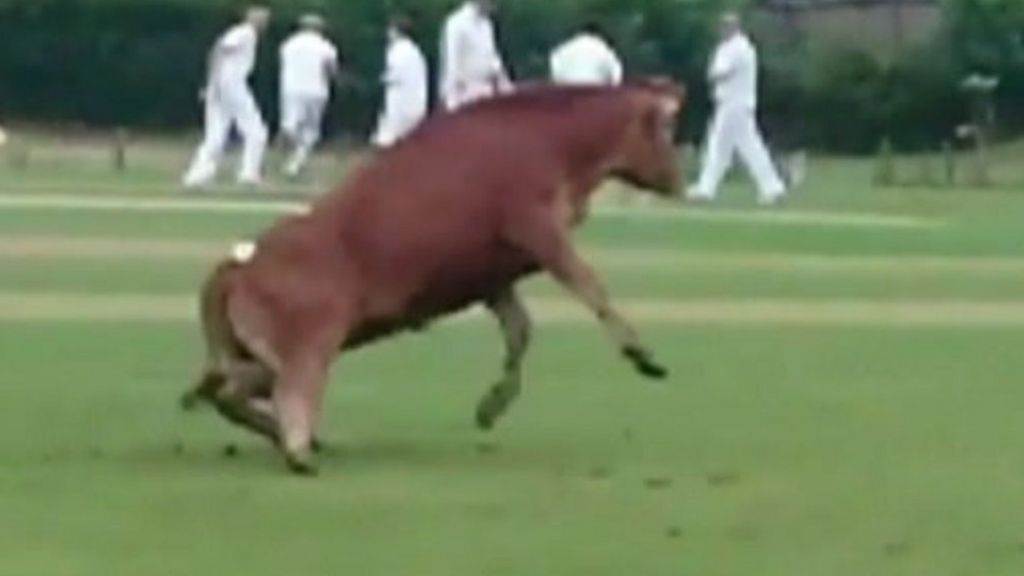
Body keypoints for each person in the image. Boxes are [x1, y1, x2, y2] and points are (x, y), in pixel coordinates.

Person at [689, 12, 786, 206]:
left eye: (725, 26)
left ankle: (770, 186)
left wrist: (712, 73)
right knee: (731, 147)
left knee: (729, 147)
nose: (722, 30)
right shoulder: (742, 47)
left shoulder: (736, 48)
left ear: (733, 27)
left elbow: (718, 73)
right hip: (737, 104)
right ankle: (708, 187)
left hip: (733, 104)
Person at [183, 6, 271, 189]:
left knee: (216, 133)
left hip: (222, 84)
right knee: (256, 131)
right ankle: (249, 174)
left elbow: (217, 52)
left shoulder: (244, 33)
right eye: (263, 20)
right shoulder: (245, 32)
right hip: (232, 83)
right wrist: (213, 82)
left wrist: (211, 84)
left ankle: (198, 175)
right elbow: (220, 51)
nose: (265, 24)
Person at [279, 13, 340, 178]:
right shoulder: (325, 46)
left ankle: (289, 129)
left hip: (291, 89)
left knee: (292, 118)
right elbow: (330, 69)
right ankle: (294, 164)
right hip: (317, 91)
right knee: (311, 130)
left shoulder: (289, 44)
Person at [440, 0, 511, 111]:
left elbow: (492, 58)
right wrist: (451, 102)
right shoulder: (456, 23)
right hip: (466, 96)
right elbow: (451, 64)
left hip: (488, 94)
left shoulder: (487, 25)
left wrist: (505, 86)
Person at [372, 13, 429, 149]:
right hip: (417, 99)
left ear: (396, 32)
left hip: (399, 99)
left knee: (393, 134)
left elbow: (395, 74)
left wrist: (383, 79)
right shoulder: (416, 51)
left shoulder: (396, 50)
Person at [549, 21, 624, 87]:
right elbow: (616, 77)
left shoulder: (561, 51)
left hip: (566, 96)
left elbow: (555, 76)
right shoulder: (603, 49)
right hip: (595, 96)